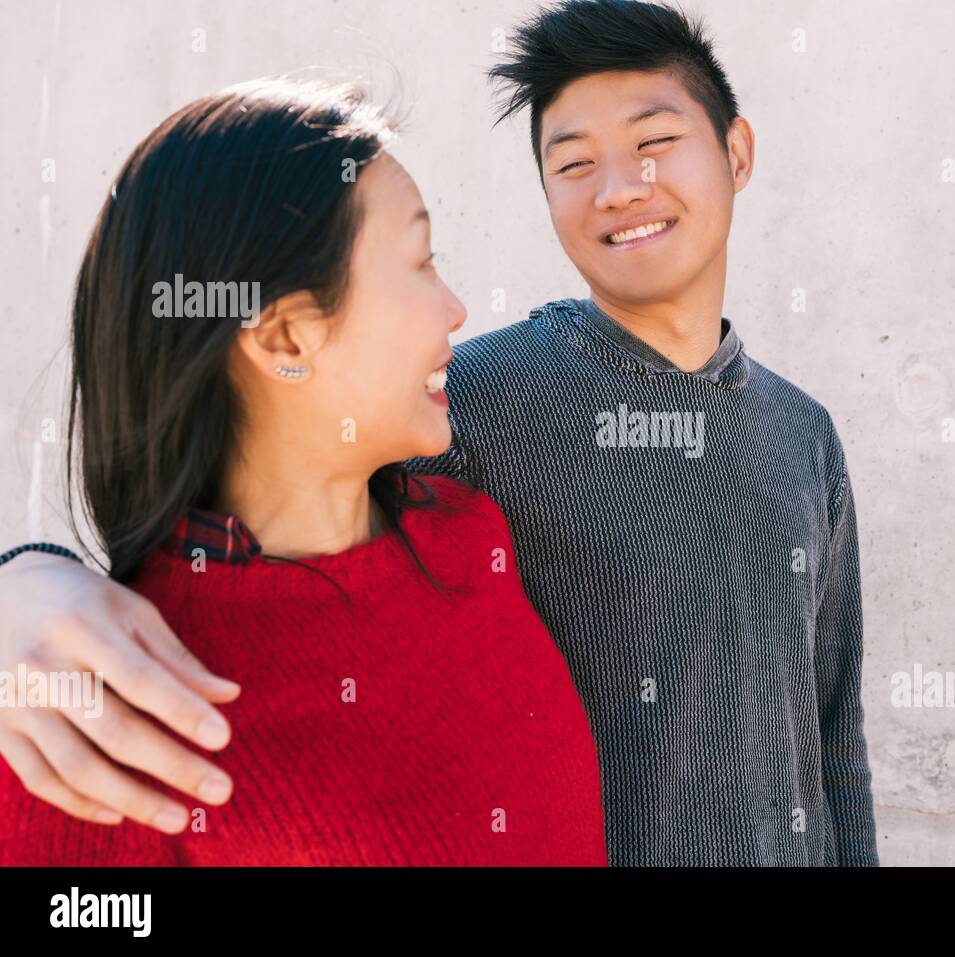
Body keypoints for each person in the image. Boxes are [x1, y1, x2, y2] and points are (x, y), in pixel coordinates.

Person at [0, 0, 880, 866]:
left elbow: (833, 730)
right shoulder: (471, 408)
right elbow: (267, 486)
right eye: (573, 162)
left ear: (737, 152)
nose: (620, 188)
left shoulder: (797, 436)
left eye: (655, 144)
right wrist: (24, 577)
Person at [0, 77, 607, 866]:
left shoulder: (469, 536)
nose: (455, 307)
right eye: (421, 262)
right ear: (285, 337)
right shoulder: (106, 715)